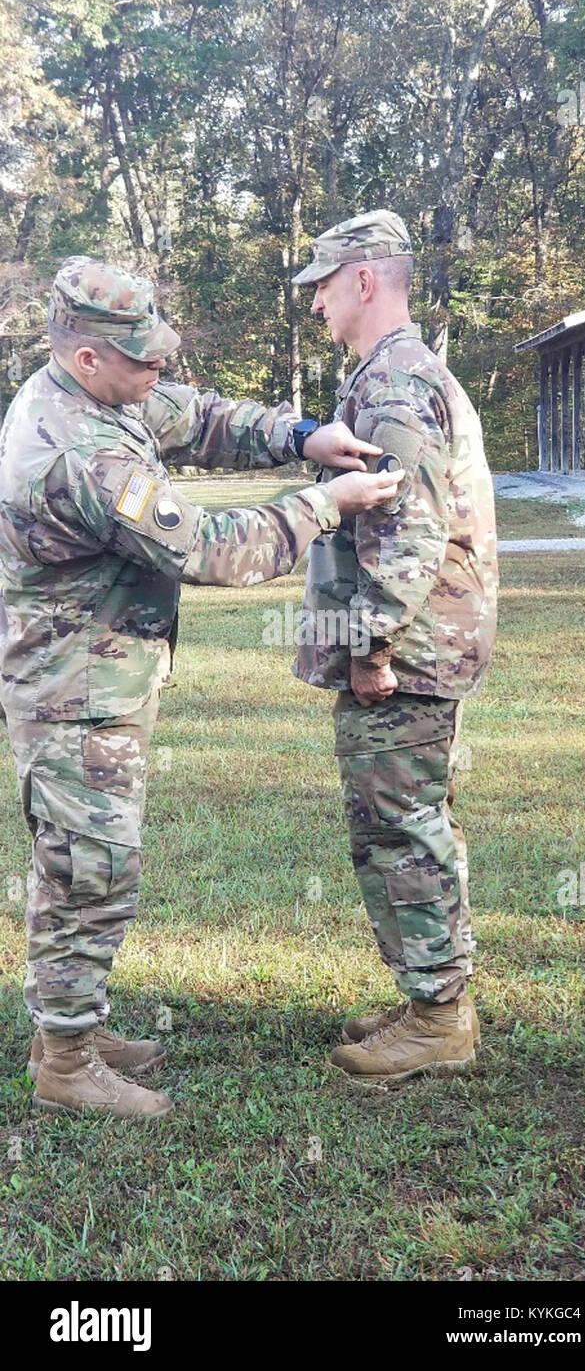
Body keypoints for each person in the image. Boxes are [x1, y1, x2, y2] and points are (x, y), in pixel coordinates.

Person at [0, 255, 402, 1118]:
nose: (160, 371)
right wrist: (327, 501)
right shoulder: (77, 455)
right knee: (89, 868)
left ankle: (73, 1025)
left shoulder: (105, 389)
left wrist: (299, 435)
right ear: (87, 359)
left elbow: (199, 416)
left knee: (86, 862)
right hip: (74, 693)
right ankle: (66, 1064)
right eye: (143, 358)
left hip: (100, 676)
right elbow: (216, 547)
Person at [291, 210, 498, 1081]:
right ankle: (431, 994)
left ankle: (438, 1018)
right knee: (413, 821)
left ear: (364, 280)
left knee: (397, 829)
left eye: (324, 287)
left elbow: (409, 535)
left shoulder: (393, 385)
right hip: (420, 648)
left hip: (404, 658)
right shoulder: (400, 374)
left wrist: (369, 646)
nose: (317, 307)